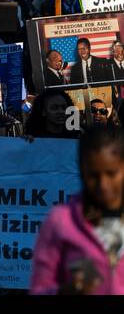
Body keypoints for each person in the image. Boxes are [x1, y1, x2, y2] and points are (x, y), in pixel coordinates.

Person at [31, 123, 124, 294]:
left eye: (111, 173)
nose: (103, 185)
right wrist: (68, 290)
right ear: (81, 169)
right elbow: (39, 289)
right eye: (93, 175)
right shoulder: (61, 221)